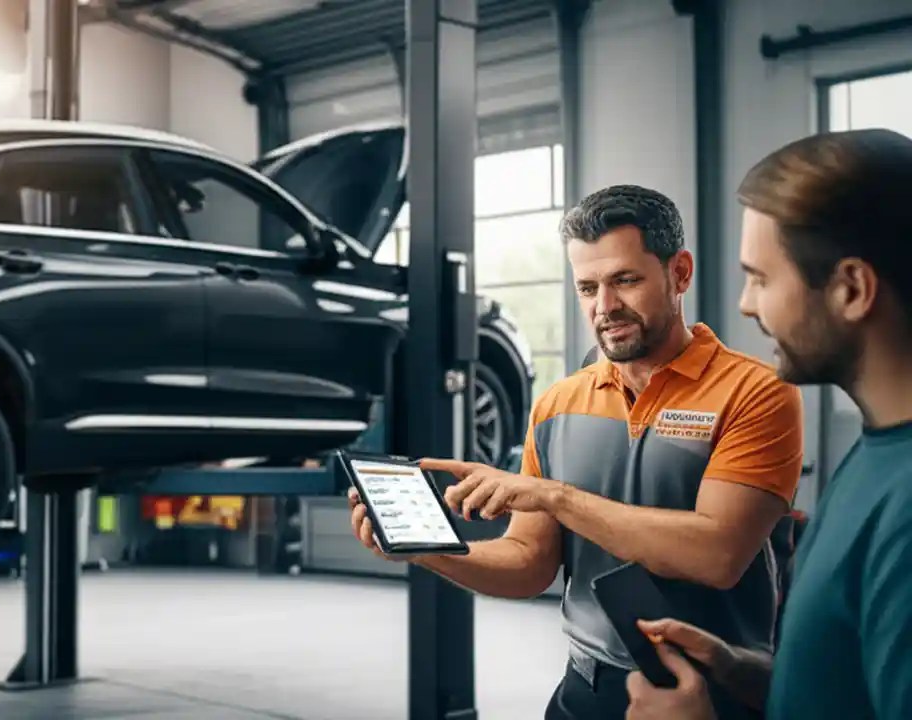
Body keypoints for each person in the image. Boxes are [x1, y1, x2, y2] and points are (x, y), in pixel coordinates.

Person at [347, 184, 806, 720]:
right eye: (588, 287)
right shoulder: (557, 404)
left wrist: (554, 496)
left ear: (679, 273)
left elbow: (718, 555)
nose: (604, 307)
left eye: (625, 280)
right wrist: (425, 550)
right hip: (585, 689)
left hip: (712, 693)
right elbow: (528, 562)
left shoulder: (755, 392)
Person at [624, 128, 912, 719]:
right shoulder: (875, 452)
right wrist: (744, 673)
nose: (746, 304)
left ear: (851, 289)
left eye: (760, 278)